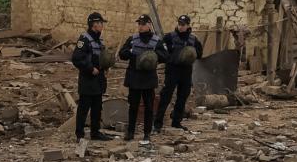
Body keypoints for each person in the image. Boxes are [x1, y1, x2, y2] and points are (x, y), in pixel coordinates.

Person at [154, 14, 204, 133]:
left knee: (182, 96)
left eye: (183, 25)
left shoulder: (193, 39)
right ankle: (157, 123)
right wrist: (169, 58)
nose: (181, 27)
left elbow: (199, 53)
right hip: (172, 69)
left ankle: (176, 122)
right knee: (166, 96)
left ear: (188, 25)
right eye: (179, 24)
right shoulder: (169, 37)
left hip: (186, 71)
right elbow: (159, 49)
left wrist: (191, 54)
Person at [69, 11, 113, 145]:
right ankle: (80, 134)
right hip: (87, 79)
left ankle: (95, 132)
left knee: (97, 107)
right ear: (93, 24)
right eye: (100, 23)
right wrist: (90, 68)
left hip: (98, 79)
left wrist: (106, 66)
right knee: (84, 108)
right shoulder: (84, 39)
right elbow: (76, 58)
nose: (102, 26)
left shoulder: (99, 40)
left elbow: (100, 58)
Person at [118, 14, 163, 142]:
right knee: (133, 106)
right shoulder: (132, 39)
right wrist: (131, 52)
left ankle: (147, 133)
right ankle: (130, 132)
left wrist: (153, 55)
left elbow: (165, 56)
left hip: (148, 78)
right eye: (139, 24)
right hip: (134, 78)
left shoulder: (156, 41)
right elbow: (122, 54)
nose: (140, 26)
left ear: (149, 25)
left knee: (149, 107)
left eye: (143, 24)